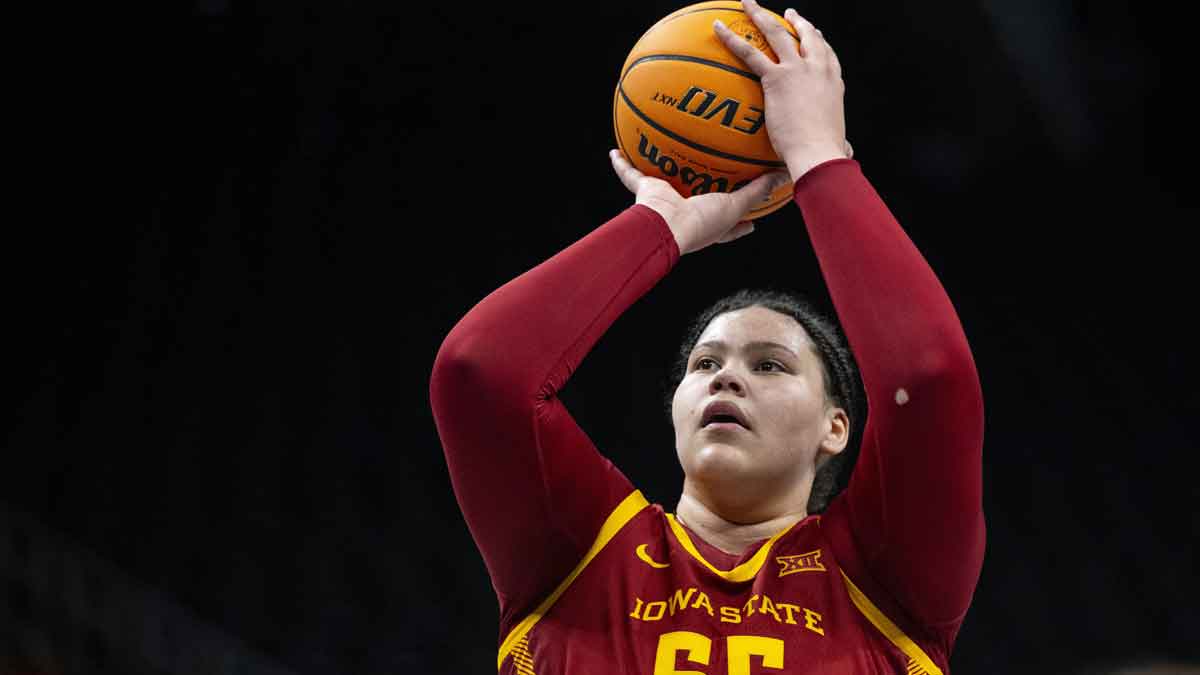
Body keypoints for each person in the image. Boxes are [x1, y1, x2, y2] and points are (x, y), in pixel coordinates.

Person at [429, 0, 985, 672]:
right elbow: (478, 373)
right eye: (704, 363)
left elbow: (926, 378)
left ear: (836, 426)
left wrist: (816, 155)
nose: (726, 376)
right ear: (675, 409)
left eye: (771, 365)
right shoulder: (580, 551)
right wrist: (662, 224)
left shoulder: (885, 578)